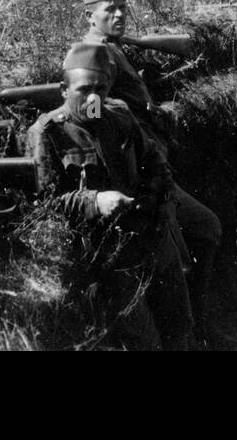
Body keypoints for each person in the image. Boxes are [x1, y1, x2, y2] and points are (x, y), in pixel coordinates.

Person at [77, 0, 224, 346]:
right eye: (109, 9)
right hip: (143, 175)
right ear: (88, 15)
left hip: (153, 167)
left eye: (123, 7)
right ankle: (194, 329)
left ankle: (194, 324)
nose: (119, 14)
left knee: (198, 237)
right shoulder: (96, 55)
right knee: (201, 232)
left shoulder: (111, 47)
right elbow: (90, 108)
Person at [27, 42, 193, 350]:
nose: (93, 98)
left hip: (152, 237)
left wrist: (164, 202)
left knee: (180, 325)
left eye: (101, 88)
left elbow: (156, 162)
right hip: (109, 256)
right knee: (144, 340)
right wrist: (95, 201)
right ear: (64, 90)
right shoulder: (47, 133)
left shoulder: (119, 115)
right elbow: (45, 203)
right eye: (83, 89)